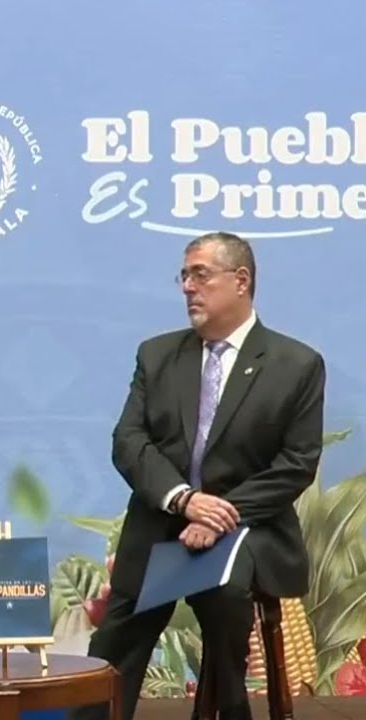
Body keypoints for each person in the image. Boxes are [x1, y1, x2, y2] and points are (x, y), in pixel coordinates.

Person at [77, 232, 325, 720]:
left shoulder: (295, 365)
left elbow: (296, 463)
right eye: (184, 276)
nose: (188, 286)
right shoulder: (158, 355)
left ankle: (227, 710)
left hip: (247, 527)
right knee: (117, 638)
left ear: (241, 281)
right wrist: (183, 500)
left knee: (225, 593)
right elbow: (129, 442)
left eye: (200, 274)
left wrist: (219, 516)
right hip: (163, 518)